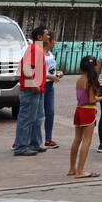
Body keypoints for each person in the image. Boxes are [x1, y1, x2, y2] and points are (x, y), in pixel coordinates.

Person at [68, 56, 102, 179]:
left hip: (79, 110)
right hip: (88, 111)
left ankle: (72, 168)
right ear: (94, 67)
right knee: (86, 141)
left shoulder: (80, 79)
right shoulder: (90, 81)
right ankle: (80, 170)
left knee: (77, 139)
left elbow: (84, 96)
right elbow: (92, 99)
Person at [13, 26, 49, 156]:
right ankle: (21, 147)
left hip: (37, 90)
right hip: (31, 90)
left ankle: (35, 143)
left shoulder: (37, 49)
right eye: (46, 34)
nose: (48, 37)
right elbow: (27, 68)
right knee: (27, 119)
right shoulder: (34, 49)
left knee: (38, 118)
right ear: (39, 37)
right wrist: (33, 85)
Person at [40, 32, 66, 149]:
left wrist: (57, 73)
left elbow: (50, 70)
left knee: (50, 112)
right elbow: (36, 73)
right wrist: (51, 77)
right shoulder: (39, 53)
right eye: (53, 40)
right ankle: (26, 139)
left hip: (50, 87)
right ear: (47, 41)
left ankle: (48, 139)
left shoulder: (50, 54)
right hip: (41, 86)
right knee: (35, 114)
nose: (55, 42)